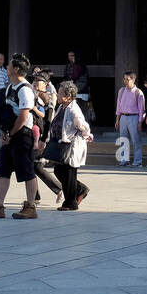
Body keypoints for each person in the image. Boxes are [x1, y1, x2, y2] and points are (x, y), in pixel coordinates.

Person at [0, 53, 40, 219]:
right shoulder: (10, 87)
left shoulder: (25, 89)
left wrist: (11, 134)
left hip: (22, 135)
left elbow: (23, 116)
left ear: (16, 69)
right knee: (3, 169)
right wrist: (4, 133)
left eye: (10, 65)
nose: (7, 67)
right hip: (10, 135)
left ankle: (31, 207)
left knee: (27, 171)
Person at [49, 80, 93, 210]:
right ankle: (81, 189)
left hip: (72, 146)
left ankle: (70, 203)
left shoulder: (73, 110)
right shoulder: (62, 107)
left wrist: (85, 136)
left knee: (69, 173)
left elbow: (84, 127)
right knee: (60, 171)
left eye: (60, 93)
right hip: (61, 145)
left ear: (68, 96)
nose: (57, 95)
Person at [29, 74, 64, 206]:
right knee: (31, 166)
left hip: (42, 135)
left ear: (46, 84)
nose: (36, 83)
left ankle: (60, 189)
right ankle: (34, 197)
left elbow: (48, 121)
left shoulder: (48, 98)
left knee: (36, 166)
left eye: (39, 81)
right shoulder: (31, 94)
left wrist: (43, 139)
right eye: (35, 81)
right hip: (32, 135)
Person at [114, 71, 146, 167]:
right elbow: (118, 106)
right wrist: (117, 120)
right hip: (123, 117)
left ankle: (138, 161)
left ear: (133, 80)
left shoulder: (138, 92)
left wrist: (140, 122)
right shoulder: (121, 91)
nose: (126, 81)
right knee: (123, 139)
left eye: (128, 79)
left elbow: (141, 109)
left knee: (136, 140)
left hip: (134, 117)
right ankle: (124, 160)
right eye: (124, 79)